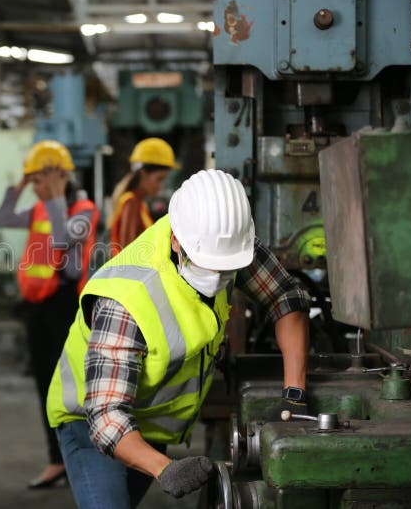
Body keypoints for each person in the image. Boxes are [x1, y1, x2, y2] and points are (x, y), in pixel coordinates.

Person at [46, 169, 310, 507]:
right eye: (207, 266)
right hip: (89, 419)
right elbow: (107, 419)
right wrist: (165, 469)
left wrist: (294, 395)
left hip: (152, 420)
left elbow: (286, 298)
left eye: (225, 269)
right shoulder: (127, 299)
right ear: (175, 240)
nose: (218, 277)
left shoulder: (225, 245)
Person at [0, 140, 100, 489]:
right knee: (44, 384)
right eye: (34, 182)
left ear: (60, 176)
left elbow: (60, 241)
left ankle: (84, 456)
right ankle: (57, 460)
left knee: (71, 388)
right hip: (39, 308)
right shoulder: (41, 207)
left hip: (66, 306)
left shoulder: (85, 210)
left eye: (40, 180)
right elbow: (3, 217)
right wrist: (21, 185)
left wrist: (55, 195)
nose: (36, 188)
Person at [109, 137, 178, 256]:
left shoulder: (138, 203)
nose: (161, 186)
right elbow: (127, 252)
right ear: (143, 174)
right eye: (159, 179)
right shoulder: (131, 203)